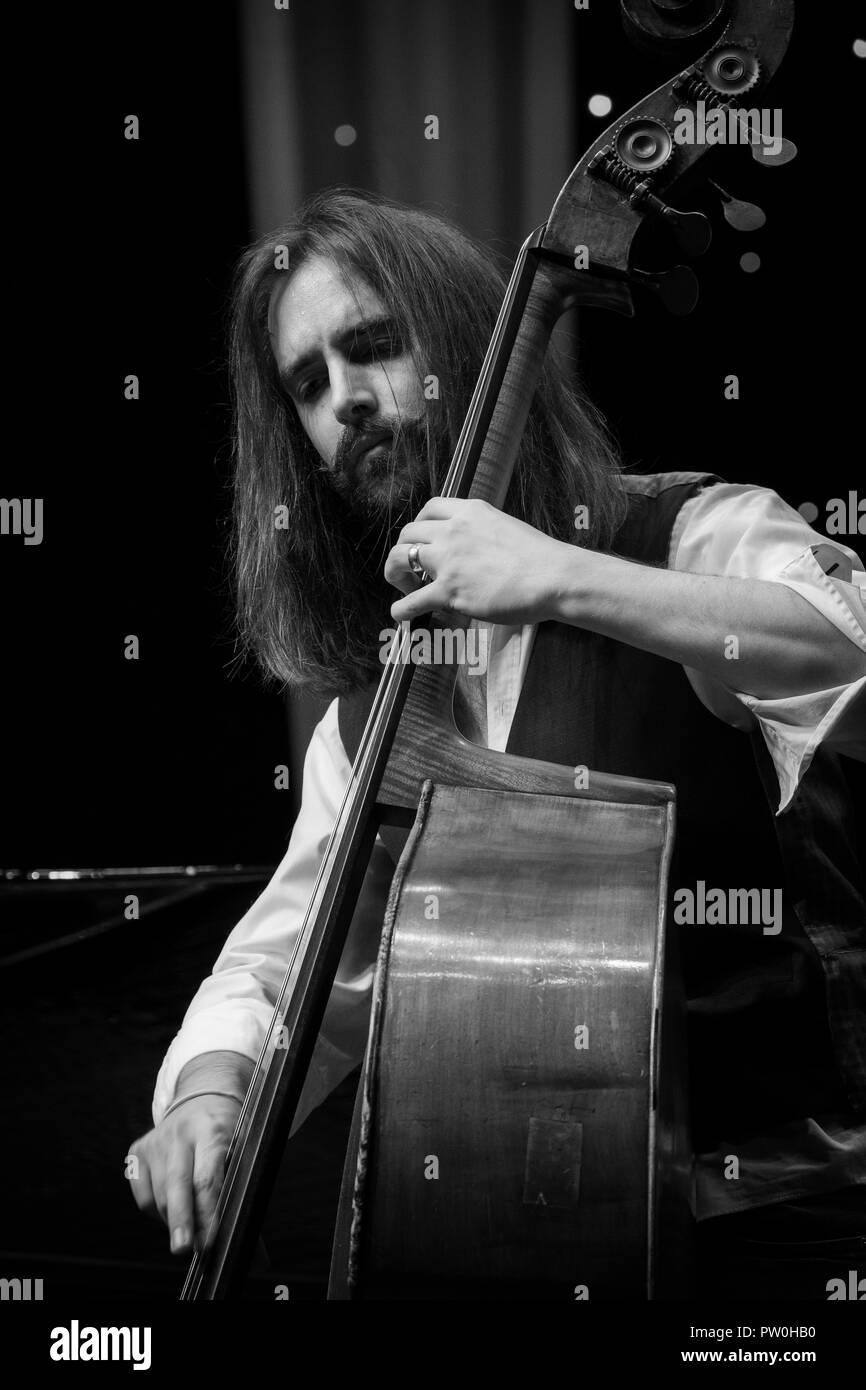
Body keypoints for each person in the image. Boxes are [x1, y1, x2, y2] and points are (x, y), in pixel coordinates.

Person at [128, 189, 866, 1299]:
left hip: (784, 1224)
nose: (346, 402)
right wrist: (207, 1092)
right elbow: (289, 958)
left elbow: (843, 652)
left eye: (373, 347)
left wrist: (566, 576)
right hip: (545, 1237)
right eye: (308, 383)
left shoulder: (687, 536)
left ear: (470, 348)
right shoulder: (375, 713)